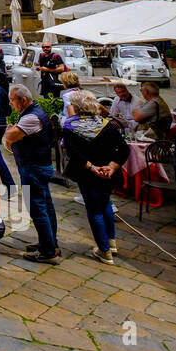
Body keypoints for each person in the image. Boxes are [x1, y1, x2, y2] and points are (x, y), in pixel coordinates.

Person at [61, 90, 130, 265]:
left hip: (87, 174)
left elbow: (73, 154)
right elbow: (124, 149)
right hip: (107, 174)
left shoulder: (70, 127)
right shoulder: (106, 125)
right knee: (106, 203)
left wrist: (92, 168)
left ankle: (104, 250)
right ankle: (111, 242)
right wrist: (112, 167)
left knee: (94, 210)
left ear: (76, 107)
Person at [3, 84, 59, 262]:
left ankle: (48, 251)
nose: (11, 104)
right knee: (46, 205)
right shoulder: (35, 113)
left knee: (37, 208)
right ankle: (49, 242)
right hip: (38, 165)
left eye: (13, 100)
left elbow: (10, 137)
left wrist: (9, 131)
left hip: (34, 167)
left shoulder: (31, 118)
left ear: (23, 100)